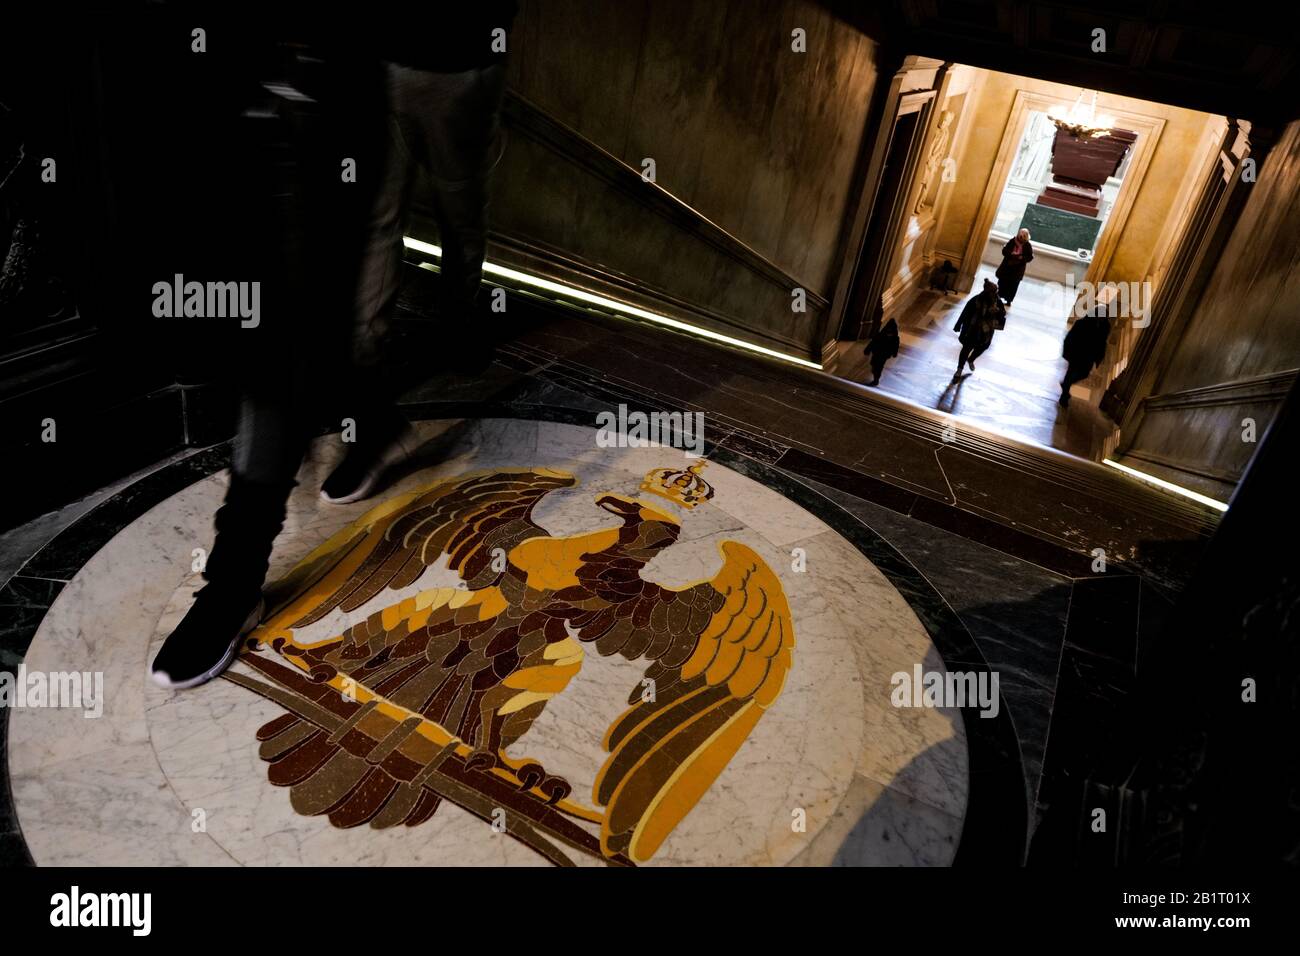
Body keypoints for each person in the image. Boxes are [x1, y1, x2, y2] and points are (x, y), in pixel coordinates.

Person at [150, 4, 518, 691]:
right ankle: (374, 421)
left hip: (341, 90)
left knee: (290, 344)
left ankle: (234, 580)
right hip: (253, 93)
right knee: (302, 329)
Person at [1059, 305, 1112, 407]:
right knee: (1071, 372)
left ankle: (1066, 384)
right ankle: (1064, 395)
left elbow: (1102, 343)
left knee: (1084, 373)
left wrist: (1099, 357)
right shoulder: (1082, 323)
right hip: (1077, 352)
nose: (1102, 318)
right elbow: (1070, 337)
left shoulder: (1105, 326)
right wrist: (1067, 351)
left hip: (1089, 355)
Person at [953, 278, 1006, 377]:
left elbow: (1003, 313)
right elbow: (965, 313)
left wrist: (998, 311)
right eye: (993, 292)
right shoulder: (975, 300)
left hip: (987, 330)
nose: (995, 294)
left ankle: (971, 359)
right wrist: (958, 325)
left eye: (995, 292)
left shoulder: (997, 301)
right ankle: (959, 369)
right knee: (966, 348)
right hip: (972, 328)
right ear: (987, 292)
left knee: (984, 346)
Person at [995, 227, 1033, 306]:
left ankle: (1009, 300)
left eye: (1023, 236)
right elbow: (1004, 251)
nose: (1021, 238)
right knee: (1002, 283)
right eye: (1020, 235)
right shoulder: (1012, 241)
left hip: (1017, 270)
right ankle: (997, 298)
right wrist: (1011, 253)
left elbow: (1030, 257)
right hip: (1007, 267)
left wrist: (1021, 257)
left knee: (1013, 286)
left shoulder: (1027, 245)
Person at [863, 318, 900, 386]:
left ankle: (876, 379)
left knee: (878, 366)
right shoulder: (882, 335)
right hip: (878, 353)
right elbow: (873, 342)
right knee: (875, 364)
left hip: (882, 354)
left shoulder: (894, 338)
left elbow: (895, 347)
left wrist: (868, 350)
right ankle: (876, 375)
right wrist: (868, 350)